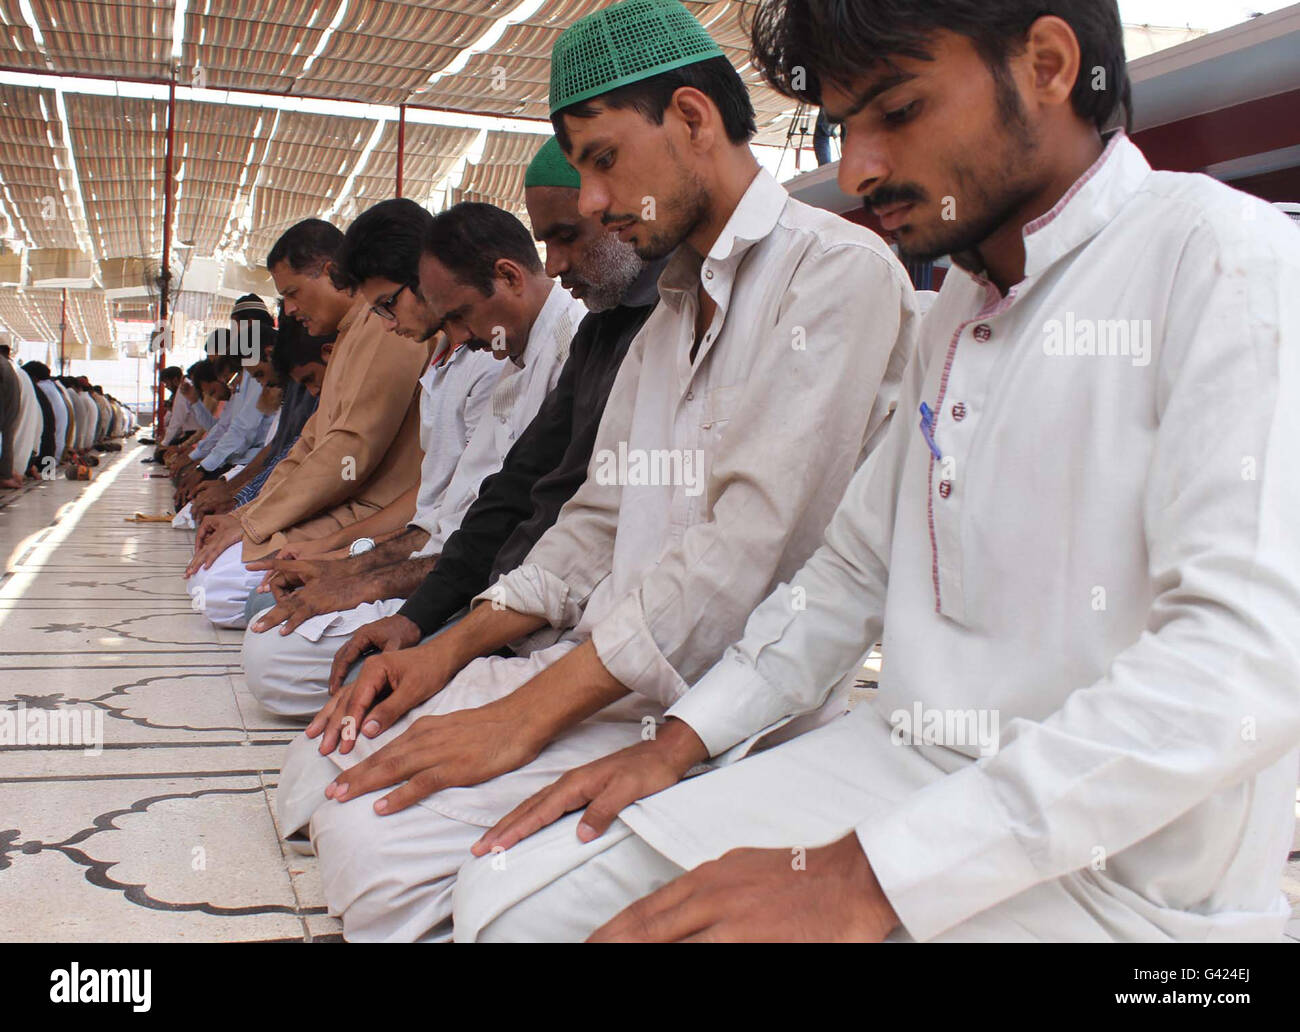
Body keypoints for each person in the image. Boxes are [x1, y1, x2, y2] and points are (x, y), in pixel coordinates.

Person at [452, 0, 1300, 944]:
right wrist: (681, 744)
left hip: (1127, 887)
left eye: (895, 112)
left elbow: (1242, 665)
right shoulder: (958, 308)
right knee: (505, 906)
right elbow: (852, 573)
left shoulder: (1225, 258)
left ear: (1049, 66)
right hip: (896, 769)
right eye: (846, 123)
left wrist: (872, 880)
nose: (857, 168)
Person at [275, 0, 917, 942]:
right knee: (321, 778)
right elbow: (593, 522)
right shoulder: (664, 318)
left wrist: (527, 713)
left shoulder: (834, 277)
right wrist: (444, 650)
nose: (589, 205)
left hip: (723, 714)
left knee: (378, 860)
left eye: (602, 158)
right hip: (606, 680)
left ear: (694, 119)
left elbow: (741, 562)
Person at [242, 138, 652, 719]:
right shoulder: (542, 349)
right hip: (494, 589)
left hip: (559, 613)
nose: (557, 266)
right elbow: (495, 506)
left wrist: (363, 576)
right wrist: (373, 585)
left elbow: (548, 535)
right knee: (322, 716)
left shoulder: (576, 337)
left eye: (567, 237)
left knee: (312, 690)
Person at [184, 218, 431, 627]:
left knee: (218, 589)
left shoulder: (385, 328)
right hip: (342, 506)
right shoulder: (352, 333)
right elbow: (304, 446)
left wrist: (253, 521)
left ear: (332, 270)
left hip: (374, 511)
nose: (289, 310)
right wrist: (246, 516)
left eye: (293, 293)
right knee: (212, 579)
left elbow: (349, 452)